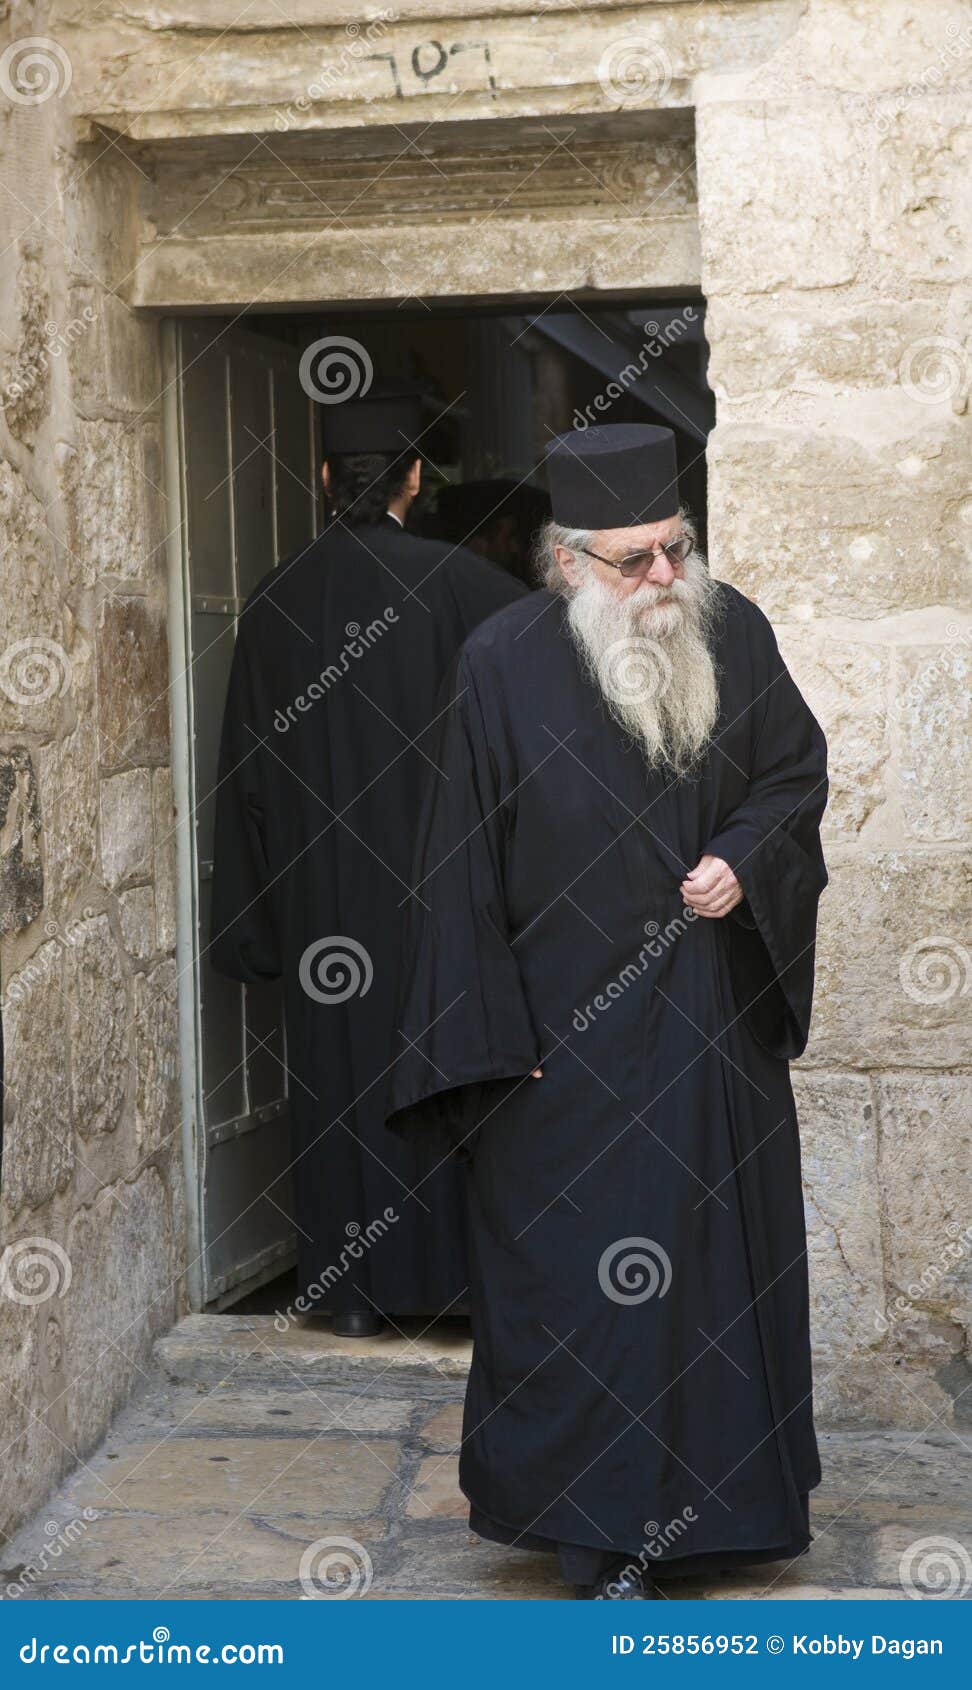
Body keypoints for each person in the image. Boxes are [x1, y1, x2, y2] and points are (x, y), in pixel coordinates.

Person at [386, 422, 829, 1595]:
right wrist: (490, 1053)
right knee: (579, 1299)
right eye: (635, 559)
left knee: (717, 1290)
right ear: (570, 561)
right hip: (562, 1058)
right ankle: (594, 1532)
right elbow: (460, 868)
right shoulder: (500, 662)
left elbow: (794, 775)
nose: (667, 579)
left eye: (676, 548)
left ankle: (728, 1520)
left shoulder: (738, 635)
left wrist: (743, 854)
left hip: (710, 1041)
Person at [210, 386, 525, 1337]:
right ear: (416, 480)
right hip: (446, 892)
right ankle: (459, 1291)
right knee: (441, 1077)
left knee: (338, 1082)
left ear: (318, 480)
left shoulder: (274, 598)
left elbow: (247, 772)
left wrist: (255, 920)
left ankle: (353, 1294)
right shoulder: (471, 590)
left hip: (322, 905)